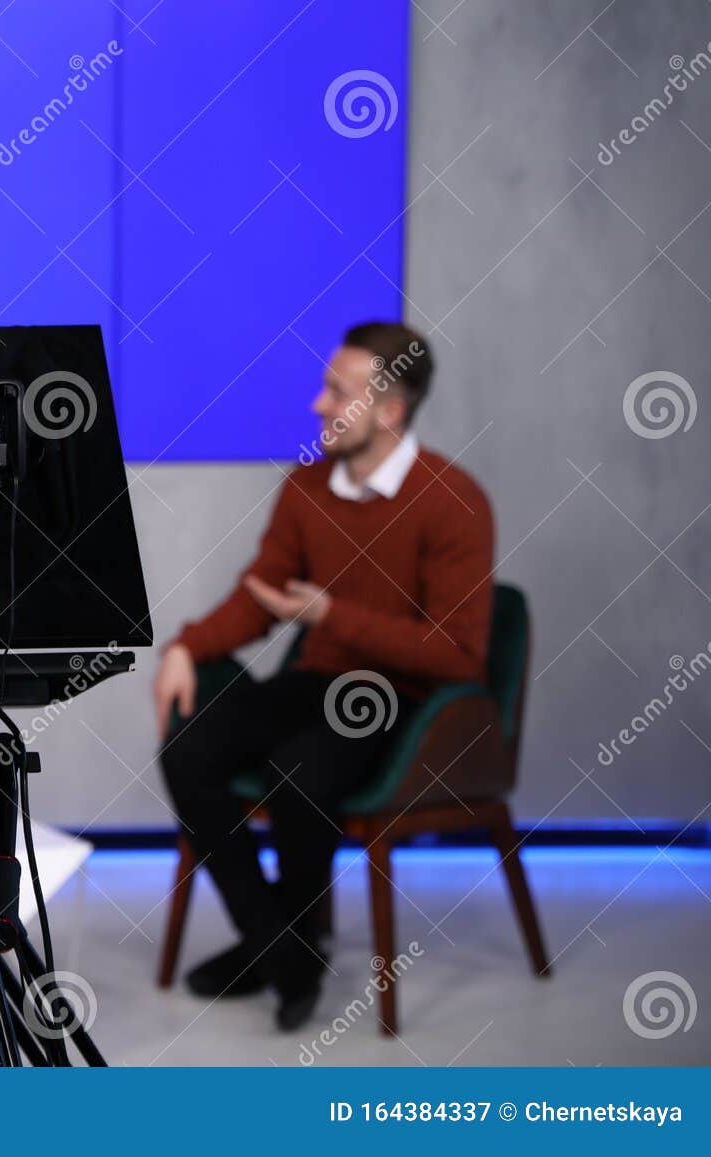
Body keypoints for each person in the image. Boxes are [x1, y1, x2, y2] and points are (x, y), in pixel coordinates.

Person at [152, 322, 493, 1032]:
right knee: (189, 749)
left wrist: (333, 613)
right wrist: (185, 646)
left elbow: (458, 654)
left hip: (400, 697)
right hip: (318, 678)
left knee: (296, 771)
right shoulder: (309, 486)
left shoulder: (452, 498)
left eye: (336, 391)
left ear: (390, 410)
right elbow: (261, 594)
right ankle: (283, 947)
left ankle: (279, 948)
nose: (316, 404)